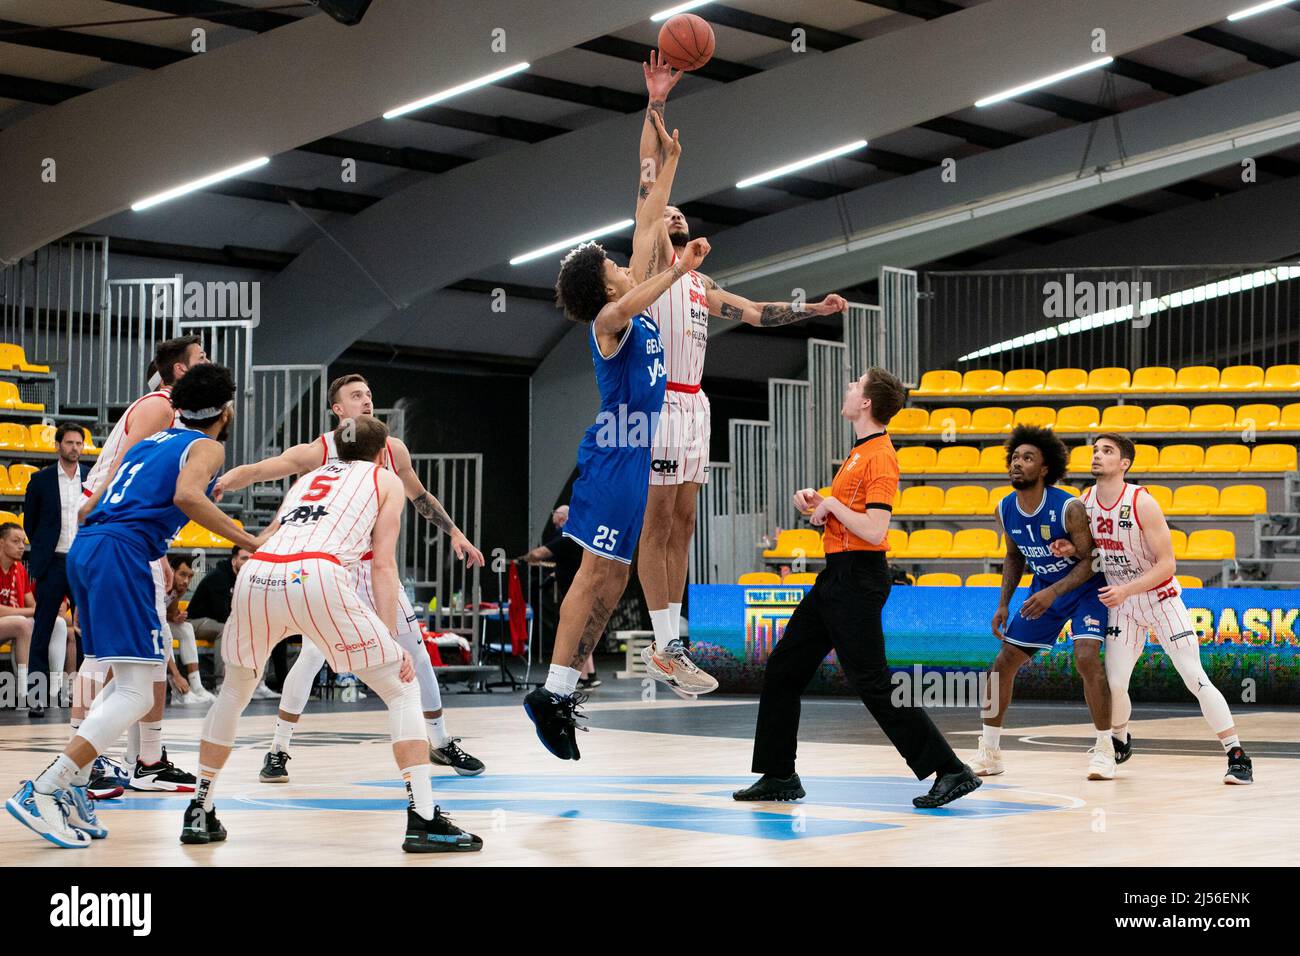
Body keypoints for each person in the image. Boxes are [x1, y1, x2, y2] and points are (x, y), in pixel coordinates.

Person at [632, 57, 849, 698]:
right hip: (658, 404)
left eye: (678, 214)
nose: (672, 215)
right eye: (664, 213)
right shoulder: (647, 263)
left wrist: (811, 308)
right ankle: (664, 641)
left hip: (695, 406)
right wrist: (656, 105)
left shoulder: (700, 283)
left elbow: (757, 313)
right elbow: (648, 183)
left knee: (686, 523)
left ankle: (676, 641)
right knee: (657, 523)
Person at [182, 415, 481, 852]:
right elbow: (381, 565)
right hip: (318, 573)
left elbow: (271, 528)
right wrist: (387, 633)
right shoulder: (386, 480)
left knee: (233, 694)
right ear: (384, 454)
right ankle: (424, 818)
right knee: (401, 689)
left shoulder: (309, 478)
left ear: (336, 449)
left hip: (259, 573)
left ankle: (200, 810)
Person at [6, 363, 259, 849]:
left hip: (87, 547)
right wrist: (251, 538)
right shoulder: (206, 446)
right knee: (139, 691)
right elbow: (187, 495)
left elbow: (84, 507)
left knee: (119, 678)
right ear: (225, 412)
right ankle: (47, 786)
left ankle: (76, 786)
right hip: (122, 553)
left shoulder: (149, 443)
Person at [524, 119, 710, 760]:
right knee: (593, 576)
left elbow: (645, 205)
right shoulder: (609, 319)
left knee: (613, 581)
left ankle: (565, 690)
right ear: (607, 283)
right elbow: (639, 279)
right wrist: (679, 268)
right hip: (610, 457)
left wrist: (665, 146)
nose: (623, 263)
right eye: (613, 264)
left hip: (635, 464)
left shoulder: (629, 292)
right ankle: (550, 690)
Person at [215, 373, 486, 780]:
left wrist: (456, 533)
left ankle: (441, 742)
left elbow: (420, 496)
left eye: (369, 394)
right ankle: (278, 750)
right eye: (356, 396)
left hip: (375, 568)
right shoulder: (322, 449)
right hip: (330, 568)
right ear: (337, 410)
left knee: (415, 654)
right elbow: (270, 467)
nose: (366, 400)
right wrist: (233, 477)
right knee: (310, 657)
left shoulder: (393, 451)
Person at [733, 368, 980, 809]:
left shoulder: (880, 455)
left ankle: (951, 769)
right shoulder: (858, 453)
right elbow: (853, 517)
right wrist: (822, 503)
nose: (847, 389)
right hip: (837, 577)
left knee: (873, 682)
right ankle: (779, 774)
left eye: (854, 385)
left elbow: (875, 527)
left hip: (859, 579)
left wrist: (831, 505)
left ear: (866, 402)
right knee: (783, 670)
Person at [1052, 433, 1253, 784]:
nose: (1097, 455)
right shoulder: (1084, 502)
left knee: (1194, 677)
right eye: (1096, 450)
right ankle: (1120, 738)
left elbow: (1167, 564)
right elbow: (1092, 552)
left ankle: (1237, 755)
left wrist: (1127, 588)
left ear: (1124, 463)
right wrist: (1069, 548)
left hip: (1160, 598)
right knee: (1114, 683)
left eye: (1107, 451)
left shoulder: (1142, 503)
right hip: (1123, 605)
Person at [69, 336, 208, 787]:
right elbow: (127, 473)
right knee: (105, 654)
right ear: (181, 371)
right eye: (201, 358)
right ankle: (84, 761)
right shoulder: (159, 405)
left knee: (149, 647)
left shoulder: (174, 413)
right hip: (113, 528)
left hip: (119, 530)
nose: (209, 363)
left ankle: (146, 760)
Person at [968, 424, 1114, 780]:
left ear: (1045, 468)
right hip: (1044, 589)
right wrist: (1004, 603)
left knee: (1085, 658)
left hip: (1085, 591)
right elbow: (1014, 556)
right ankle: (990, 753)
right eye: (1015, 457)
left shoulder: (1069, 507)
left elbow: (1091, 561)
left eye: (1028, 458)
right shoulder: (1004, 509)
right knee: (1002, 664)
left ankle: (1106, 750)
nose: (1018, 463)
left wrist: (1052, 593)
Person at [22, 423, 90, 716]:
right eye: (70, 443)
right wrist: (43, 551)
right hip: (53, 563)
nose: (74, 448)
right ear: (58, 445)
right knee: (43, 629)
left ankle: (86, 696)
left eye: (79, 443)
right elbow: (30, 523)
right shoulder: (41, 480)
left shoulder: (92, 477)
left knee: (88, 628)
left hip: (83, 561)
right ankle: (37, 699)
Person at [519, 505, 599, 686]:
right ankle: (589, 675)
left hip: (577, 595)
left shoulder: (568, 535)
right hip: (579, 591)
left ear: (562, 518)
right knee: (583, 633)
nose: (555, 527)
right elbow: (570, 562)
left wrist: (524, 558)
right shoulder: (580, 535)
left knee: (575, 633)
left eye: (556, 521)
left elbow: (541, 553)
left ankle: (581, 676)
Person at [164, 555, 214, 705]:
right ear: (171, 571)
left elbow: (169, 615)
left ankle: (197, 686)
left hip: (156, 624)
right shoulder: (160, 585)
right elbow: (154, 622)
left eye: (190, 576)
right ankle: (177, 691)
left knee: (186, 627)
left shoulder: (179, 588)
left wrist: (176, 617)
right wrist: (177, 674)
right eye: (182, 574)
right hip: (140, 629)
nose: (186, 581)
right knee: (165, 631)